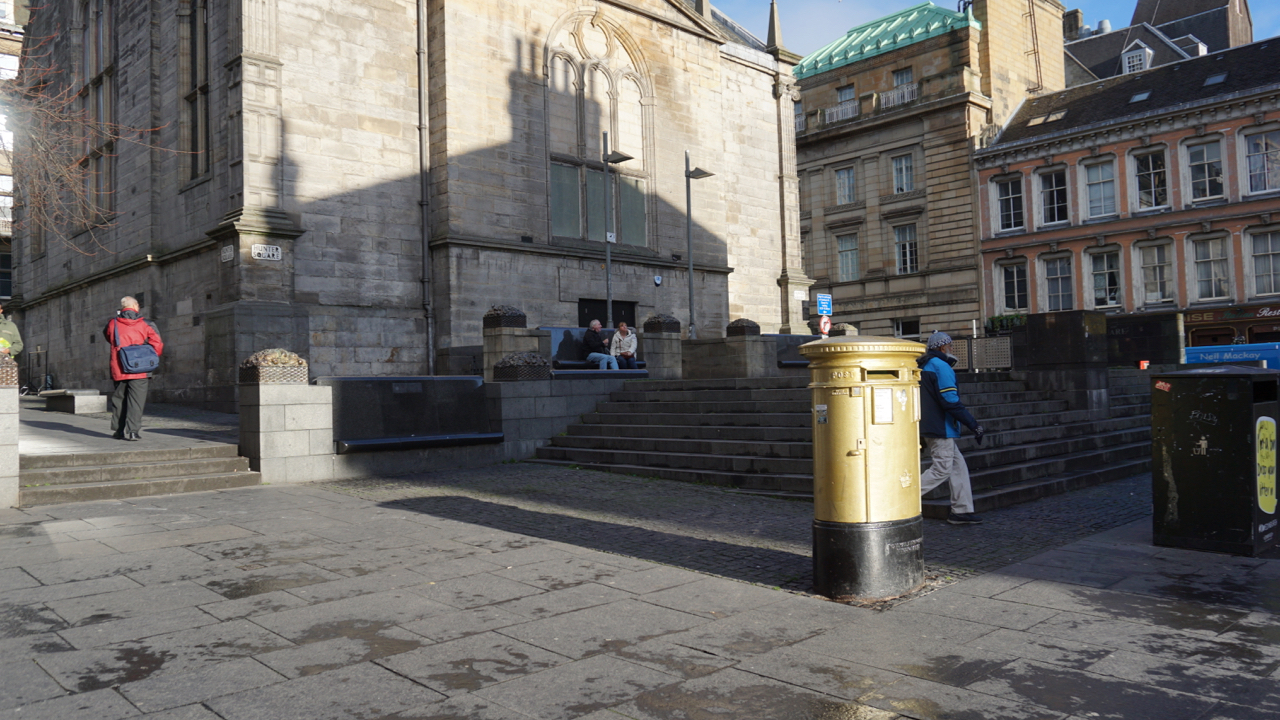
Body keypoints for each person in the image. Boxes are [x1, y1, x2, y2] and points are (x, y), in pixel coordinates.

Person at [917, 330, 985, 525]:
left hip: (930, 425)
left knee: (958, 466)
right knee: (942, 469)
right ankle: (900, 497)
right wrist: (973, 425)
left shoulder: (925, 365)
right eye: (950, 345)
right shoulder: (941, 366)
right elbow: (950, 401)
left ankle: (962, 510)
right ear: (942, 347)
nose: (952, 348)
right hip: (941, 427)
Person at [103, 296, 164, 441]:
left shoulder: (112, 323)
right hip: (140, 369)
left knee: (119, 400)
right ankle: (133, 432)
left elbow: (108, 337)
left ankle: (118, 431)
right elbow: (158, 344)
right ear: (136, 306)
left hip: (120, 368)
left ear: (122, 307)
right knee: (136, 402)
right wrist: (147, 356)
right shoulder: (146, 324)